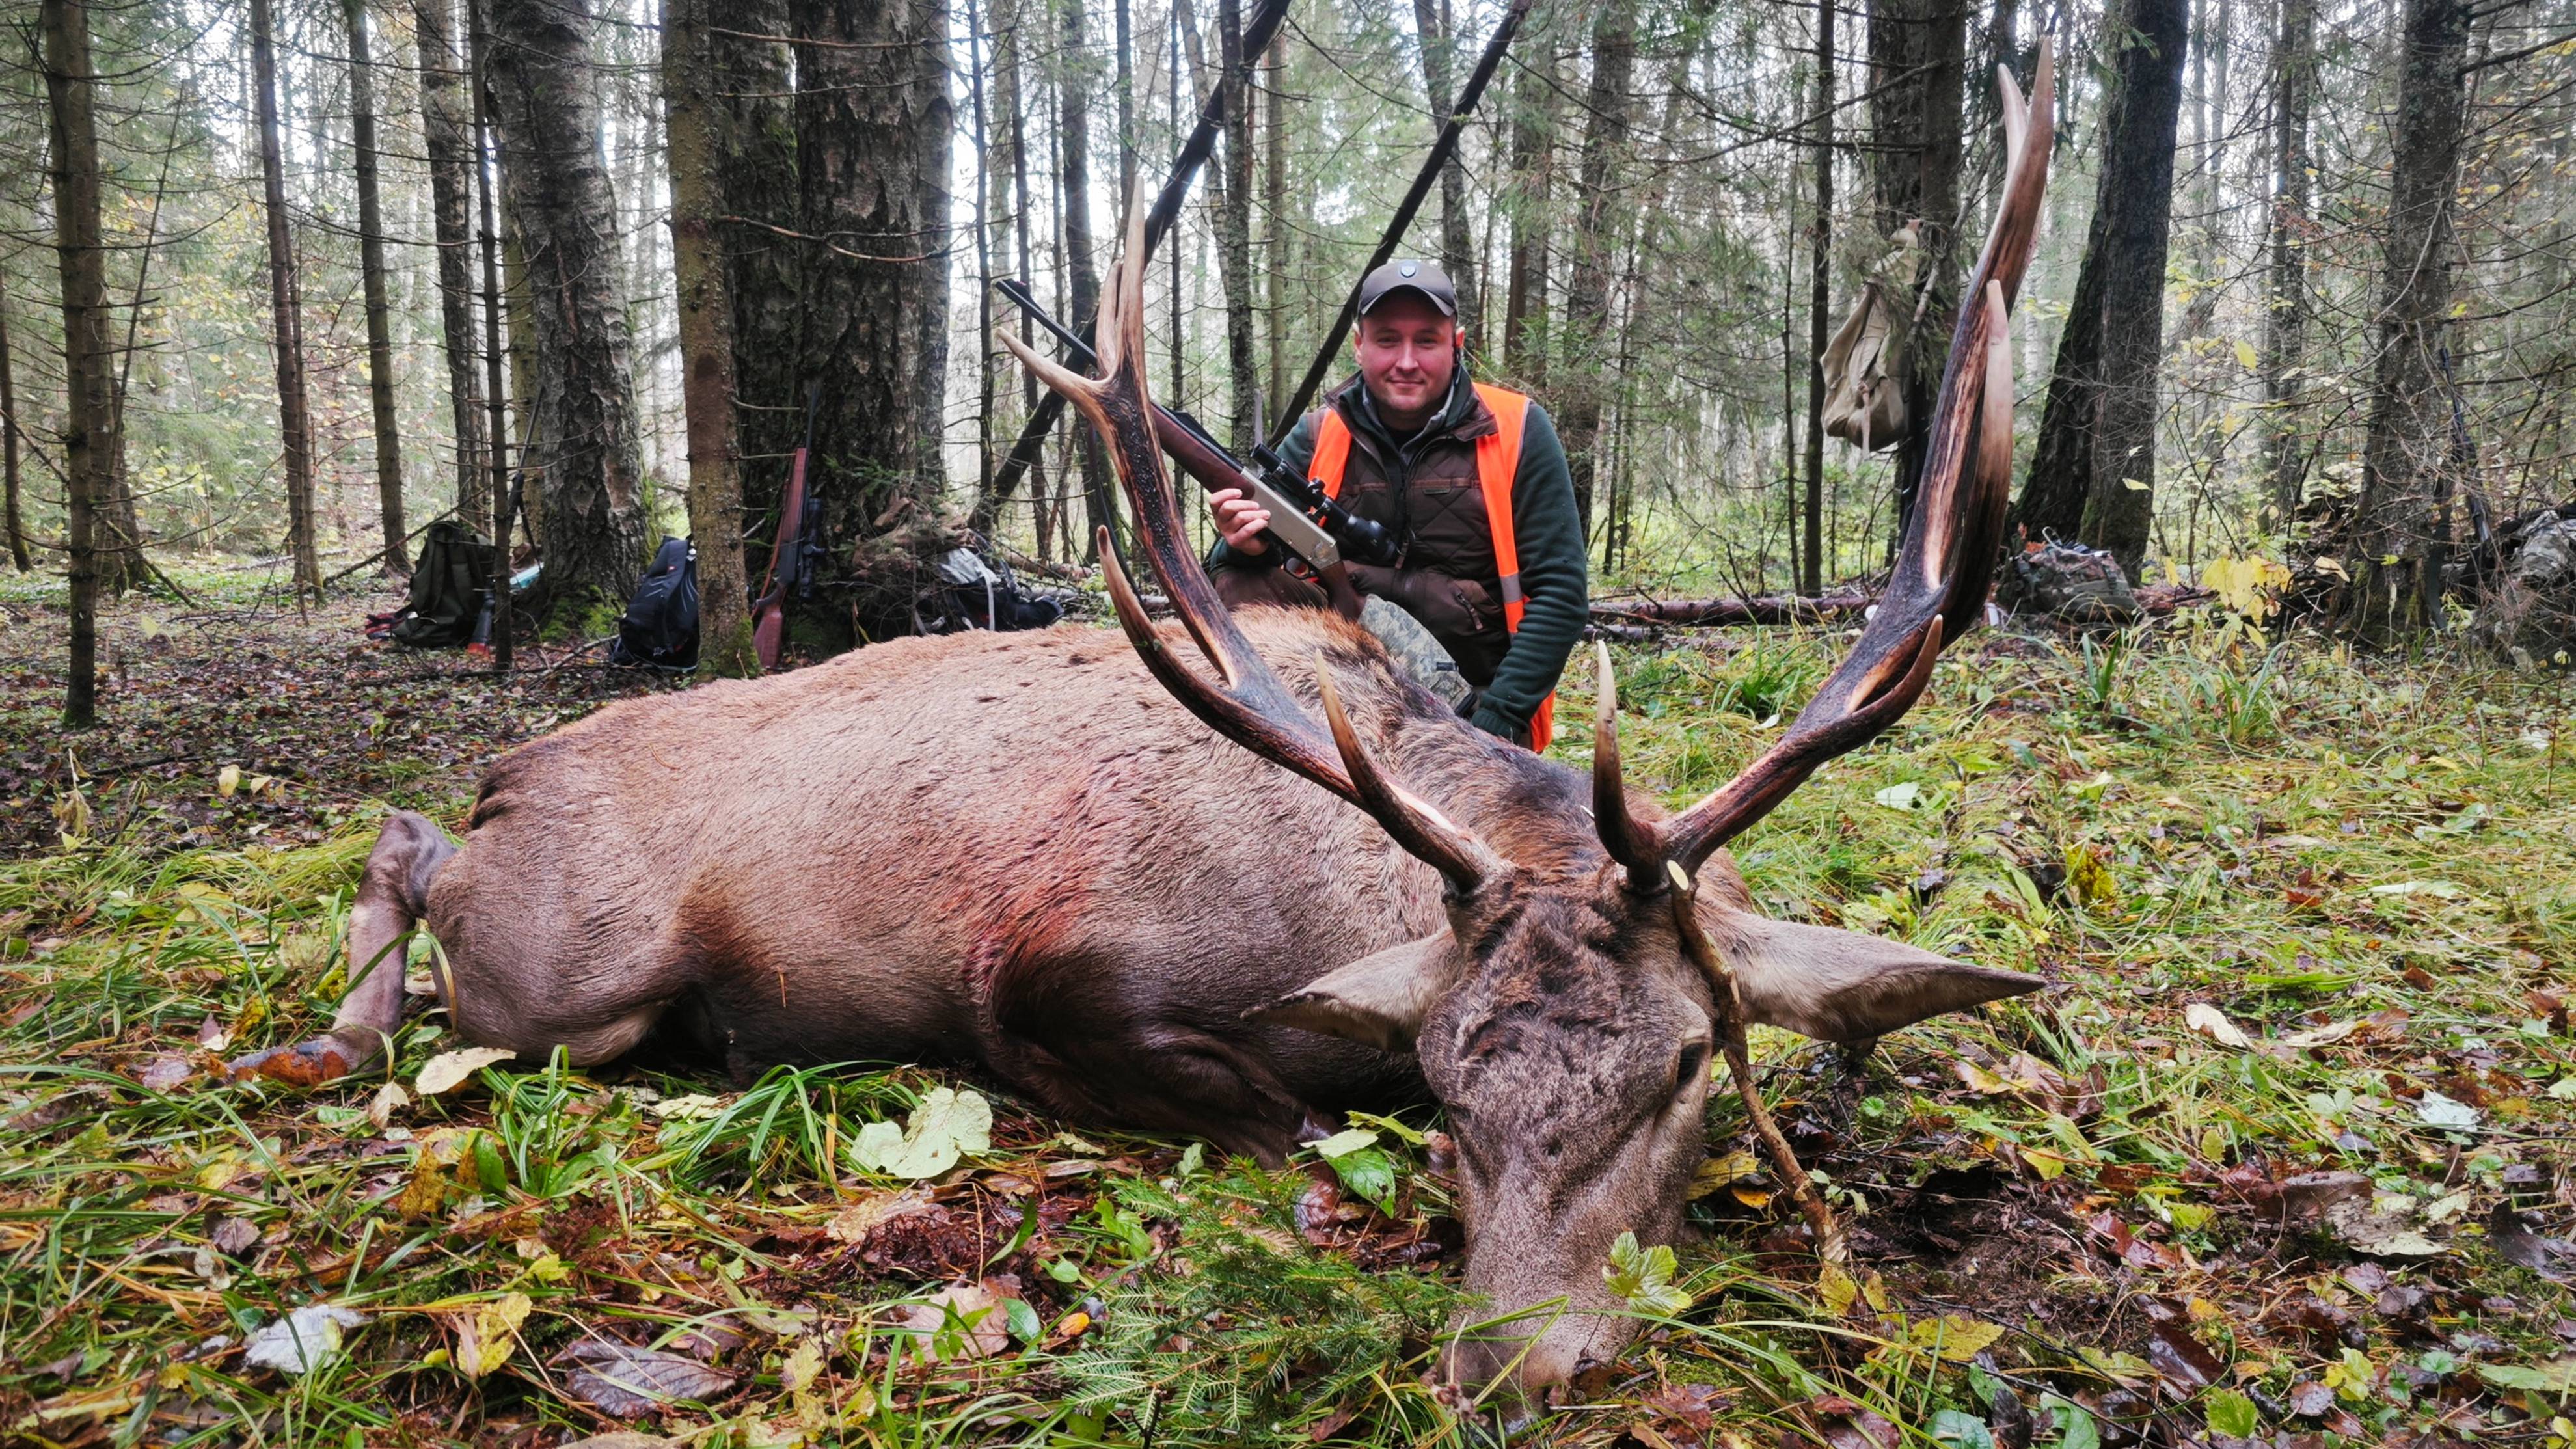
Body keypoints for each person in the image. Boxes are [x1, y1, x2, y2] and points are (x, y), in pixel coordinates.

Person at [1205, 260, 1587, 750]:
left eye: (1426, 340)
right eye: (1387, 340)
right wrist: (1242, 544)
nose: (1406, 361)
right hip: (1341, 691)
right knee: (1240, 579)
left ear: (1456, 344)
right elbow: (1231, 569)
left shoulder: (1518, 429)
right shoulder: (1320, 434)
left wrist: (1498, 722)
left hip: (1476, 701)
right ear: (1359, 344)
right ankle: (1264, 739)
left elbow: (1560, 592)